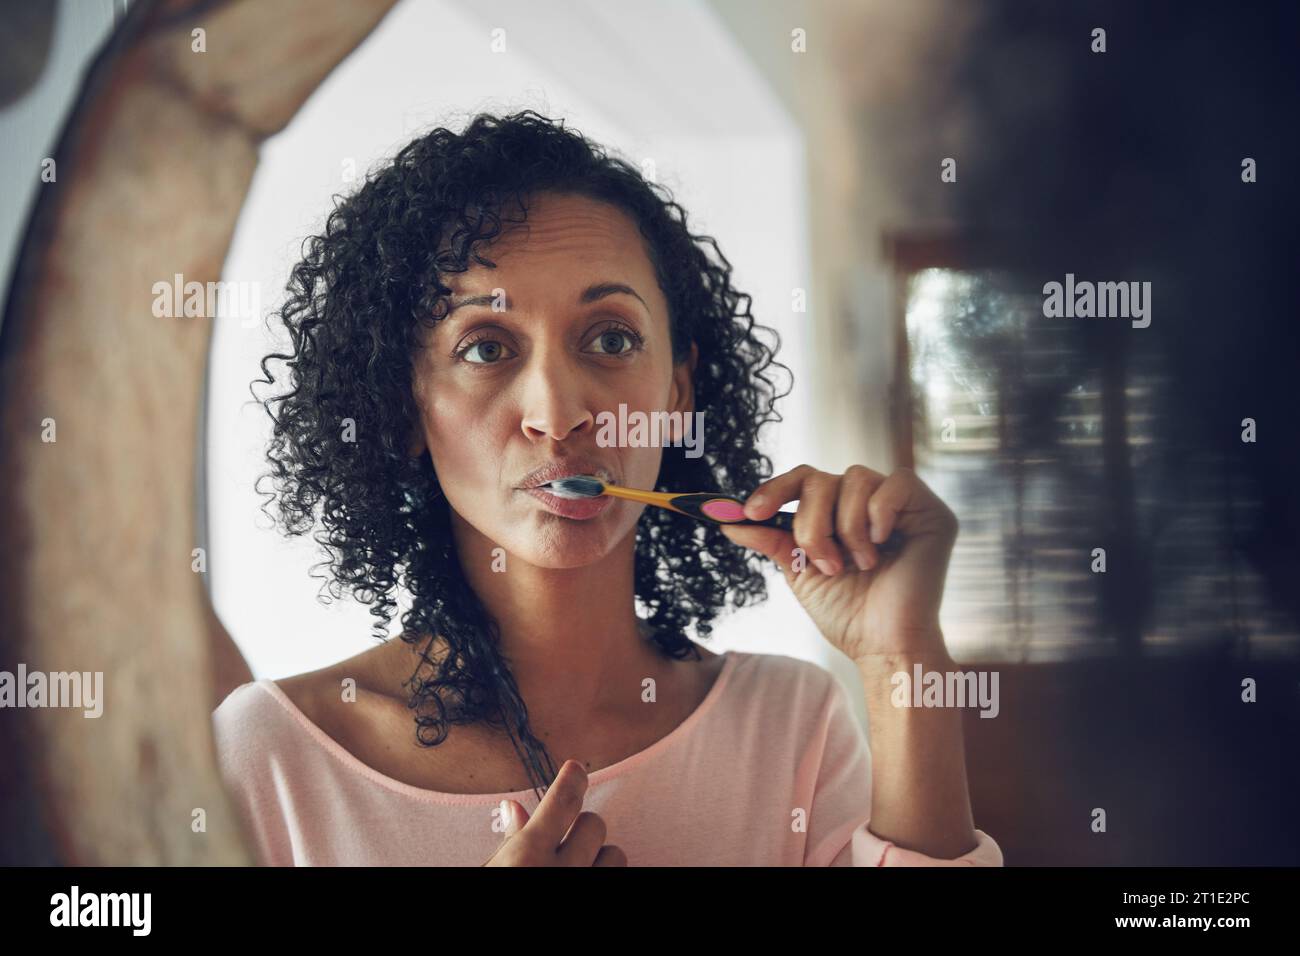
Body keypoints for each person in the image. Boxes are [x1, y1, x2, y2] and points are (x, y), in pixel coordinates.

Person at [211, 110, 1002, 867]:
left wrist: (901, 659)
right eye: (486, 348)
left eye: (611, 339)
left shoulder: (792, 727)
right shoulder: (269, 759)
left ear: (678, 395)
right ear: (407, 406)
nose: (560, 416)